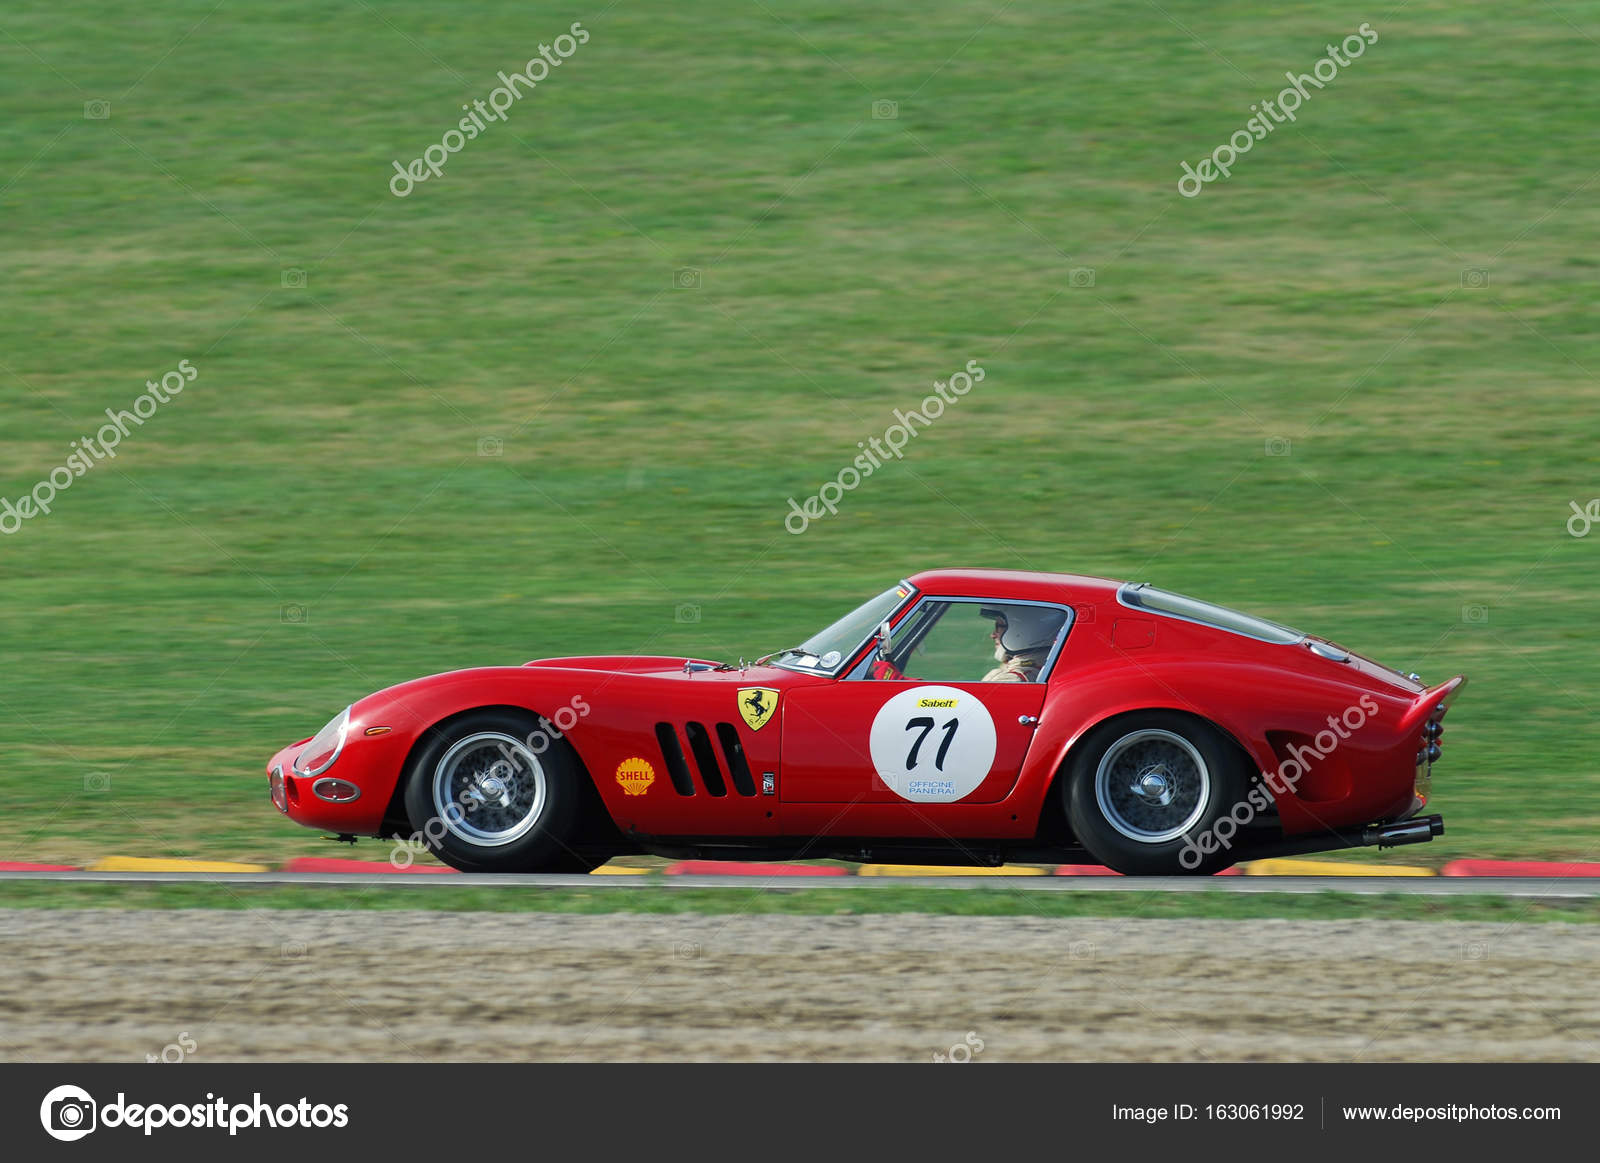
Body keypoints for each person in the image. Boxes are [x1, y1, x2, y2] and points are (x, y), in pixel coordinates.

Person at [981, 605, 1060, 682]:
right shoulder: (1050, 664)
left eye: (998, 626)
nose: (993, 635)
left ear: (1021, 628)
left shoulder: (1009, 679)